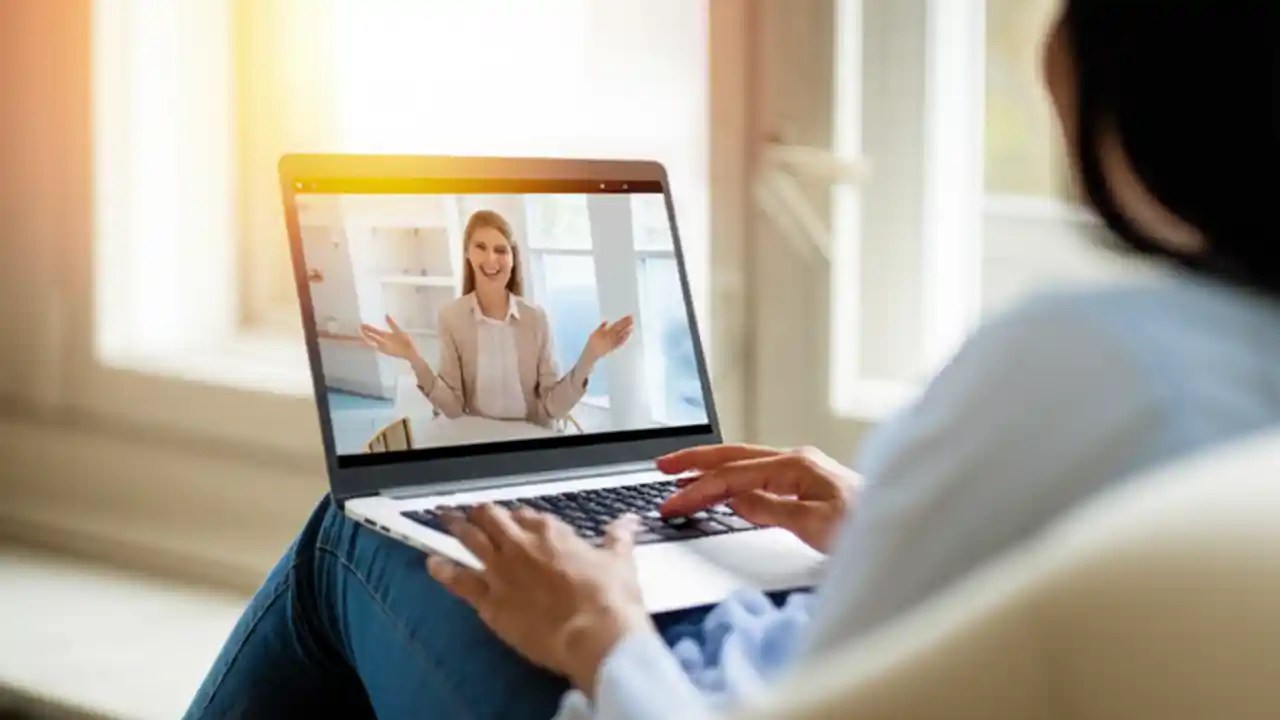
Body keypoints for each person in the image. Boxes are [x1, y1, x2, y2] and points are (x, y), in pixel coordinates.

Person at [184, 2, 1280, 718]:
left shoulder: (1087, 362)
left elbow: (554, 402)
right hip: (753, 648)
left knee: (354, 531)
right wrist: (881, 533)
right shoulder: (1233, 366)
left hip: (659, 694)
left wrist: (598, 635)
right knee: (521, 529)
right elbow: (456, 400)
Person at [359, 209, 634, 428]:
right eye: (480, 247)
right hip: (481, 439)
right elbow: (453, 408)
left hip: (530, 437)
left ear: (512, 258)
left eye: (501, 250)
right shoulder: (451, 318)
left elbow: (551, 407)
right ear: (467, 253)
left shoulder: (536, 319)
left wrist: (589, 357)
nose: (491, 258)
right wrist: (414, 358)